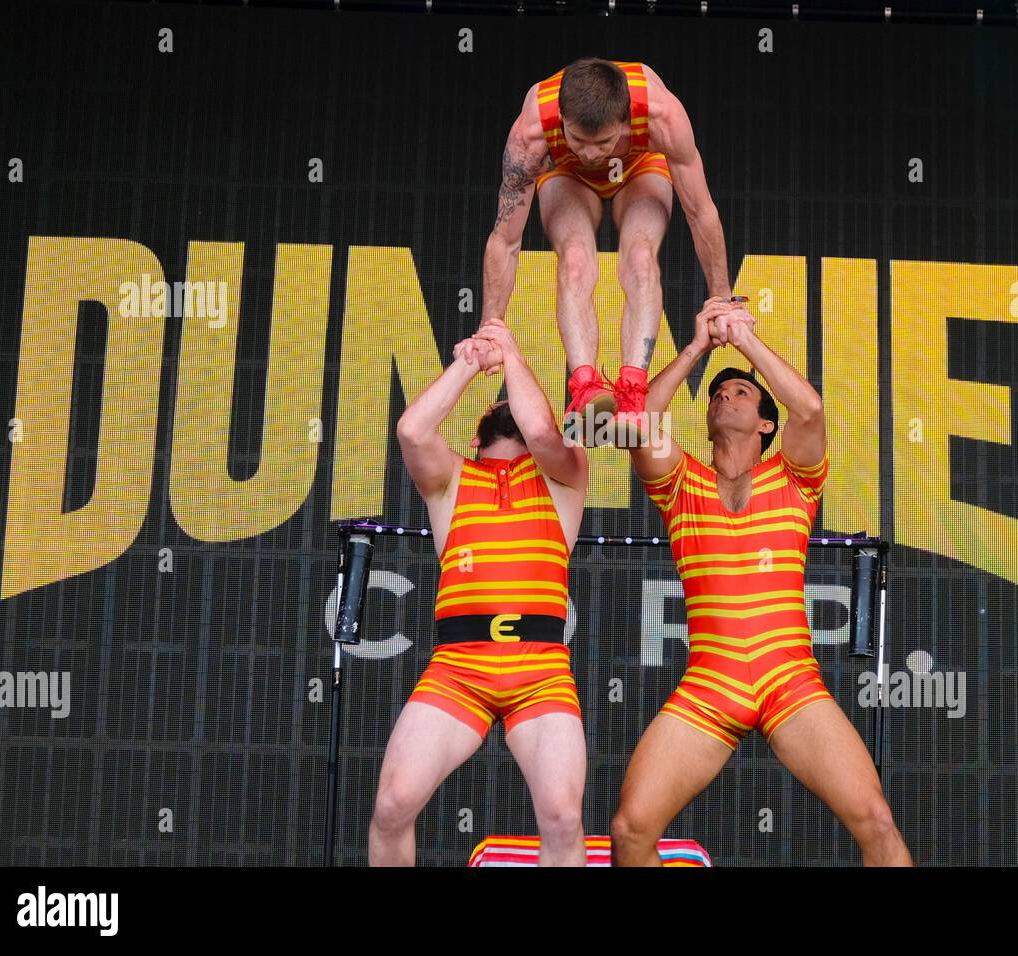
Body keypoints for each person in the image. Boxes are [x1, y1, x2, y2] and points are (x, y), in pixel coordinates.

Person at [609, 297, 913, 866]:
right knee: (629, 830)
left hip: (788, 680)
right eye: (717, 395)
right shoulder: (680, 483)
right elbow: (638, 422)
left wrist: (743, 340)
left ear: (766, 423)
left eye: (741, 393)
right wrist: (700, 345)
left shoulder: (794, 476)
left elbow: (812, 410)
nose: (725, 396)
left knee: (876, 821)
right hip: (711, 684)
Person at [369, 320, 589, 866]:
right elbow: (414, 431)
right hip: (458, 669)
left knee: (562, 816)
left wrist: (510, 352)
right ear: (473, 435)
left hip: (540, 672)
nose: (507, 407)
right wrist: (470, 361)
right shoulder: (451, 479)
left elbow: (540, 433)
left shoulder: (566, 475)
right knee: (393, 804)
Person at [482, 56, 744, 440]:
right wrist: (491, 326)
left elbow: (700, 211)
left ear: (625, 120)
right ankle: (585, 388)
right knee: (573, 259)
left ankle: (634, 394)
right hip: (565, 173)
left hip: (639, 166)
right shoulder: (532, 133)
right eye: (579, 139)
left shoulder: (661, 117)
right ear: (561, 117)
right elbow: (505, 239)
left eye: (603, 141)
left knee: (640, 258)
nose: (591, 153)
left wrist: (722, 298)